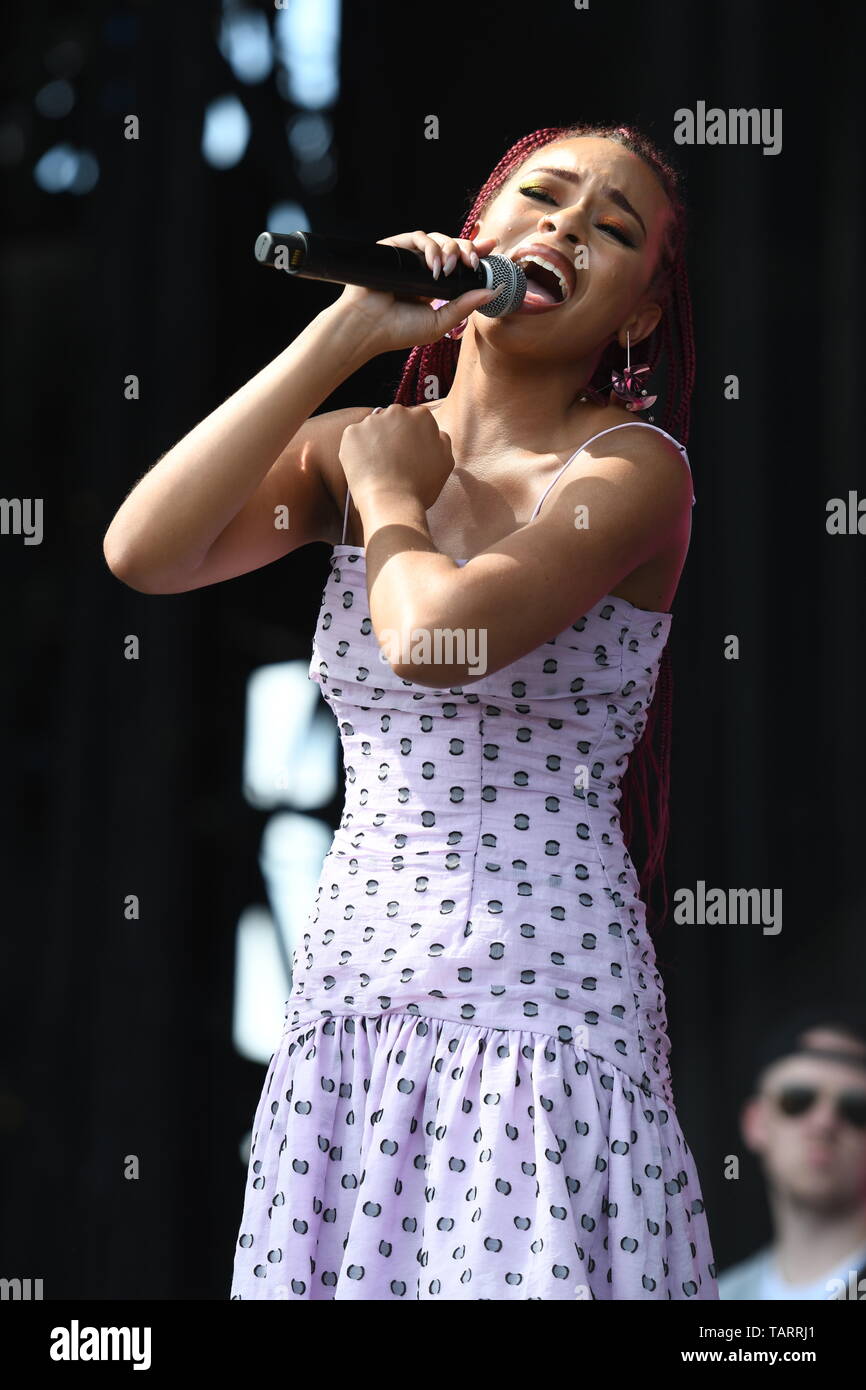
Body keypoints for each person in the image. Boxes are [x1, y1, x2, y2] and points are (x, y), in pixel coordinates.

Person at [103, 121, 716, 1299]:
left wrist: (385, 500)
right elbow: (146, 548)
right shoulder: (369, 441)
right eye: (539, 199)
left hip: (537, 1005)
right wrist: (344, 332)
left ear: (640, 316)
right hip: (355, 999)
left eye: (611, 229)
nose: (565, 229)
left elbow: (437, 637)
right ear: (475, 233)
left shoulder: (632, 472)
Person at [718, 1006, 866, 1301]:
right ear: (755, 1123)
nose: (824, 1123)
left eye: (855, 1110)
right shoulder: (716, 1295)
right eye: (797, 1101)